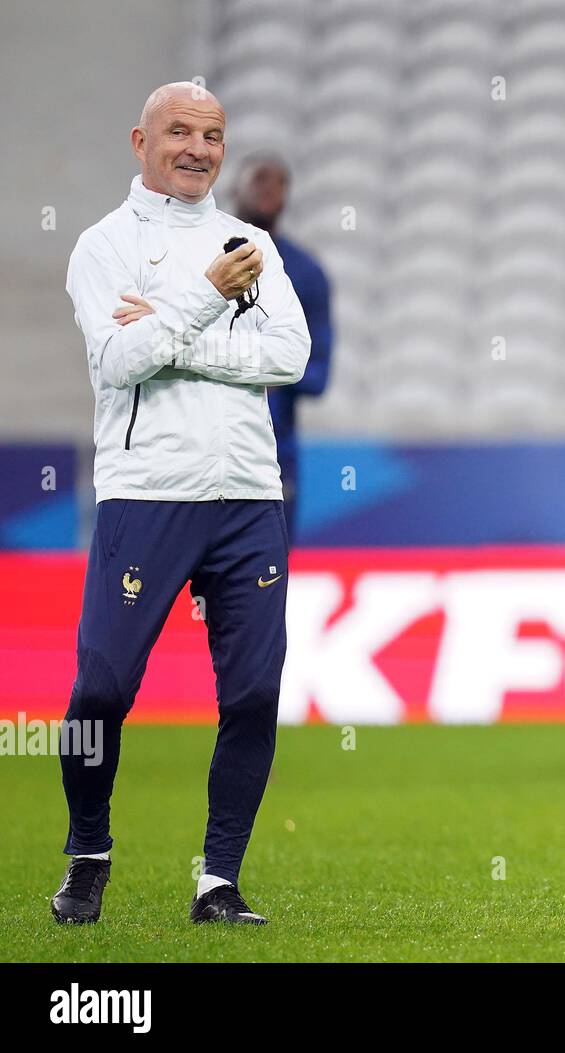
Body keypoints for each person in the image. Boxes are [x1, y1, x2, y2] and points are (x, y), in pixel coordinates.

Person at [53, 82, 309, 926]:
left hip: (247, 497)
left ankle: (219, 881)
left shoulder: (254, 245)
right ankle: (88, 852)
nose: (199, 149)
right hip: (147, 493)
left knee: (251, 695)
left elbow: (291, 356)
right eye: (180, 133)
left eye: (212, 134)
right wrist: (202, 296)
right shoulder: (101, 246)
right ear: (140, 140)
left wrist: (176, 333)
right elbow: (122, 360)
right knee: (101, 690)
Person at [231, 153, 333, 543]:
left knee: (267, 577)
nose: (268, 189)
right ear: (234, 186)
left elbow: (319, 374)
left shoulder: (305, 273)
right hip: (199, 447)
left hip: (272, 453)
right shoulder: (197, 257)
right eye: (259, 178)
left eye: (279, 183)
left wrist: (260, 367)